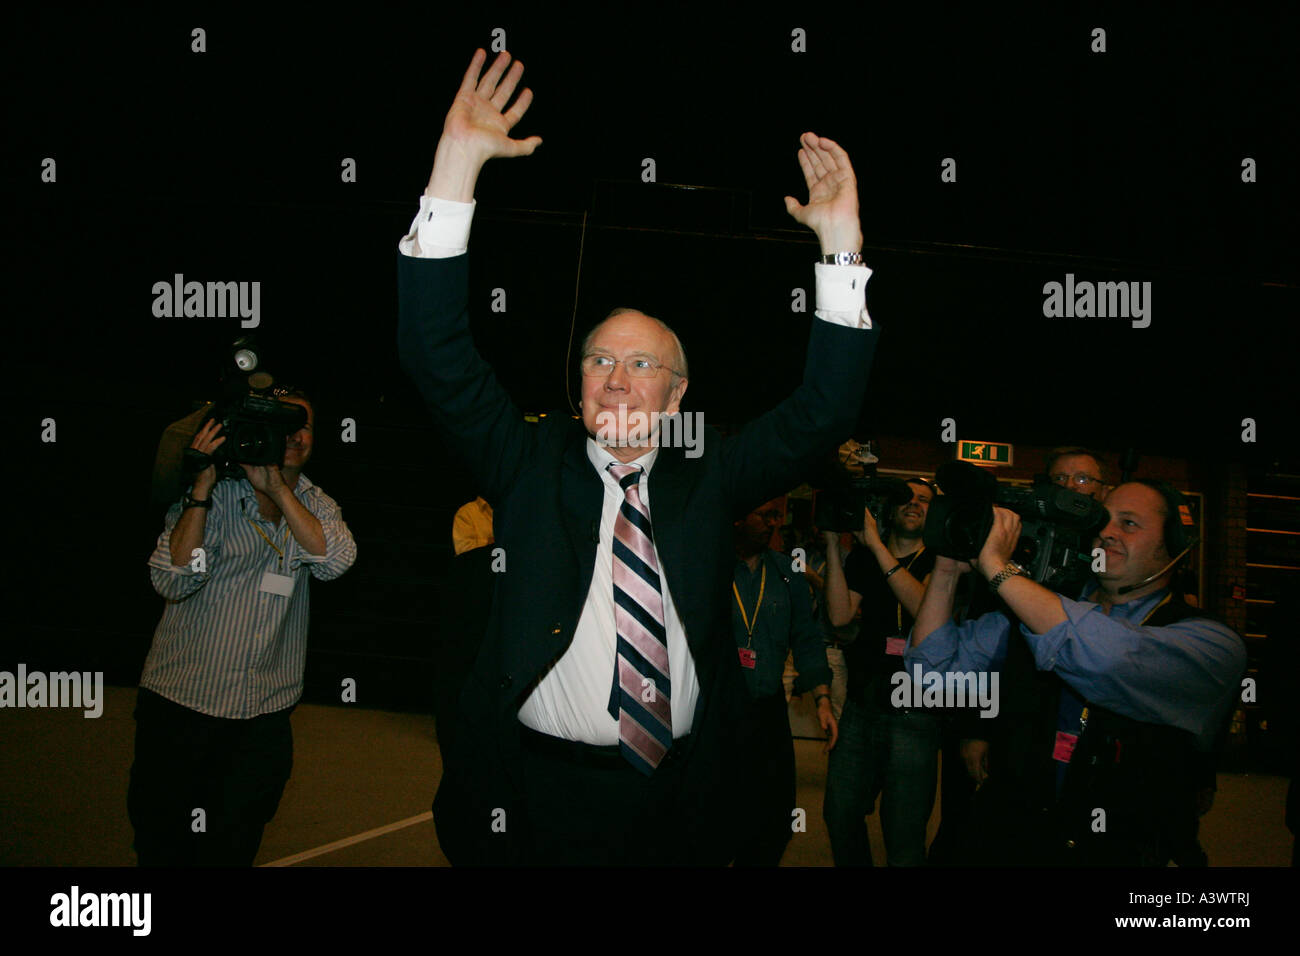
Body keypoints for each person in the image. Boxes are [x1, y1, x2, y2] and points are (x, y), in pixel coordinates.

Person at [396, 49, 877, 865]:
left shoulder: (710, 470)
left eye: (642, 364)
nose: (617, 379)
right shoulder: (526, 460)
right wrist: (456, 168)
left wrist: (839, 243)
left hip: (678, 803)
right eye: (598, 361)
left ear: (679, 395)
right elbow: (435, 352)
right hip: (535, 798)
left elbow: (822, 411)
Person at [906, 479, 1247, 865]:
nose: (1106, 532)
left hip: (1117, 852)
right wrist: (947, 572)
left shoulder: (1212, 643)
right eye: (1102, 520)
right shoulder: (1037, 609)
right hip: (1017, 841)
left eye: (1129, 524)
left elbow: (1108, 659)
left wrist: (997, 568)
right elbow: (931, 675)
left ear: (1173, 546)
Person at [129, 390, 358, 866]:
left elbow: (334, 562)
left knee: (235, 844)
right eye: (281, 426)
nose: (293, 436)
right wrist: (199, 491)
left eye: (304, 425)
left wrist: (279, 489)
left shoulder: (317, 504)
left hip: (263, 715)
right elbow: (171, 580)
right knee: (163, 842)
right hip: (183, 704)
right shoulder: (213, 495)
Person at [821, 478, 938, 865]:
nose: (914, 504)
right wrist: (835, 551)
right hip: (861, 705)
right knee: (839, 813)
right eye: (906, 498)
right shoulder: (866, 557)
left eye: (924, 500)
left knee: (903, 831)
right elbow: (839, 617)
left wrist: (875, 545)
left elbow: (924, 610)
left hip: (915, 714)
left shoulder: (943, 559)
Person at [731, 500, 836, 866]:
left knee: (775, 816)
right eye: (765, 516)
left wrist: (822, 697)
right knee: (716, 809)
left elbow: (806, 636)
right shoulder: (709, 564)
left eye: (778, 517)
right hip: (718, 710)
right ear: (739, 516)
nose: (774, 525)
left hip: (767, 708)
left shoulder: (786, 571)